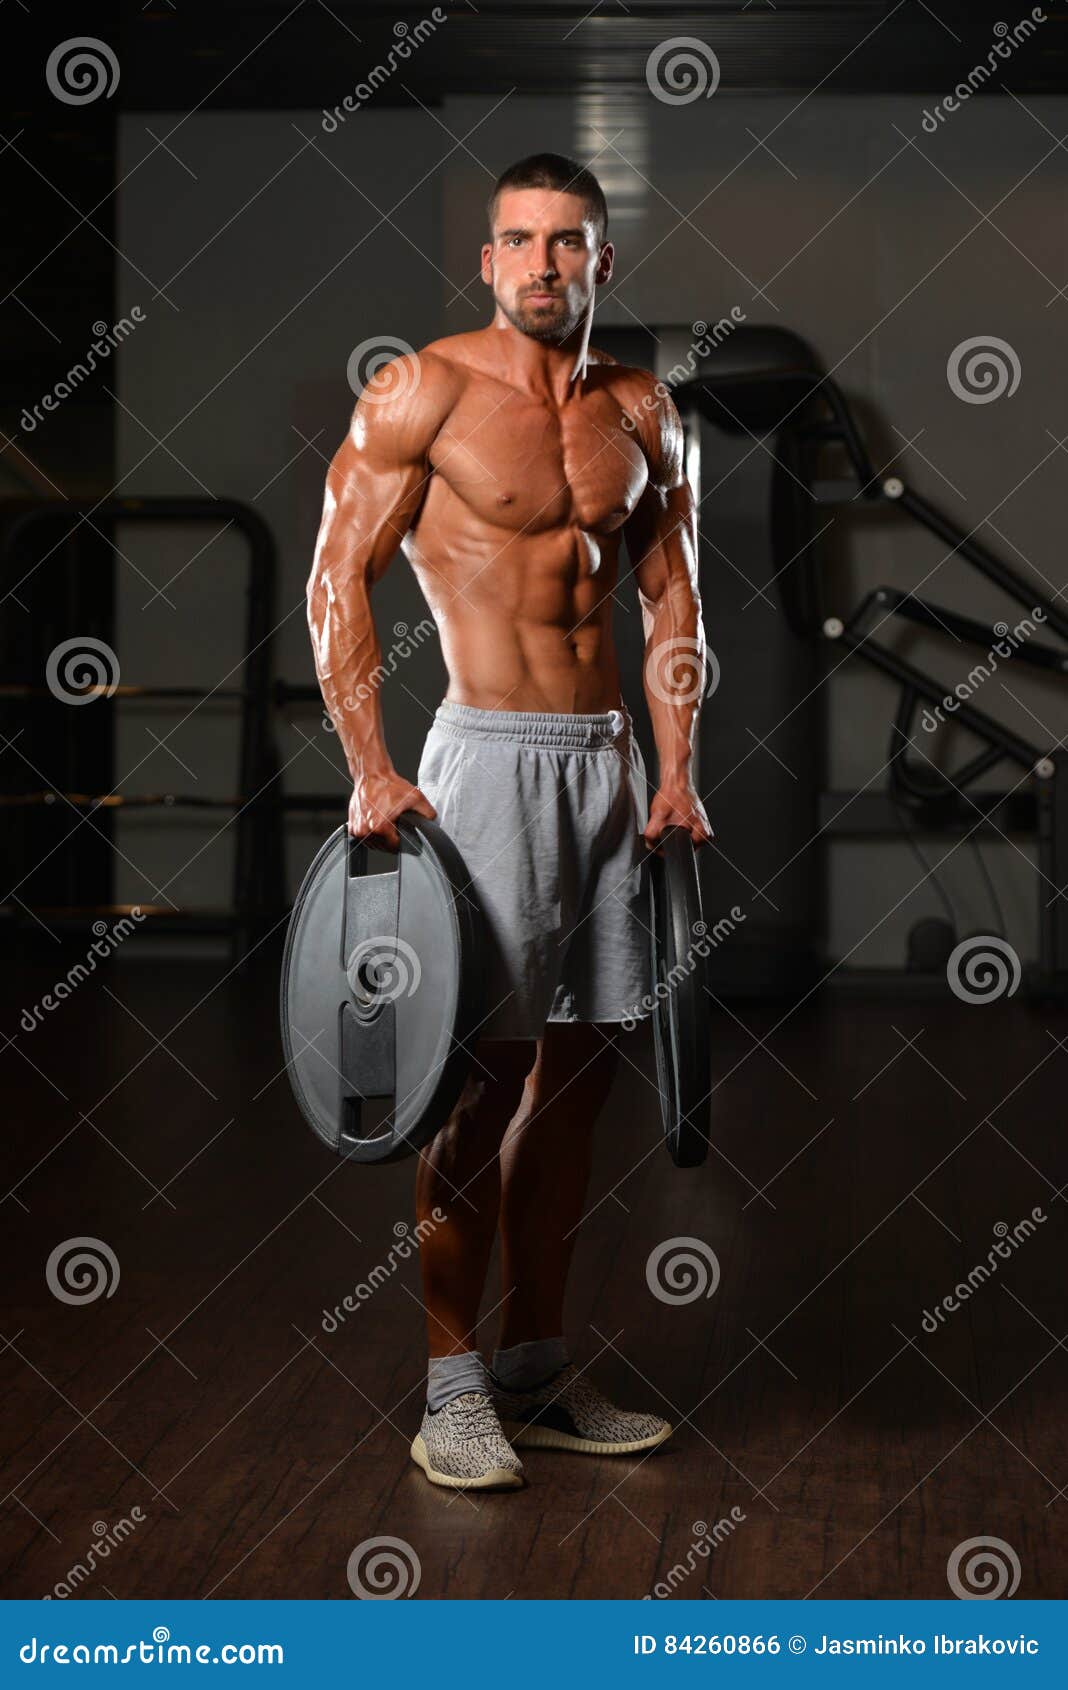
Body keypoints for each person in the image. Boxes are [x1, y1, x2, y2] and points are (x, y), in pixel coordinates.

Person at [306, 152, 713, 1491]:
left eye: (569, 242)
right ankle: (450, 1387)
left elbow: (671, 606)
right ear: (487, 262)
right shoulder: (421, 390)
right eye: (519, 241)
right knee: (471, 1090)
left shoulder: (643, 410)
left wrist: (676, 768)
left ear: (603, 258)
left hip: (606, 767)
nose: (544, 264)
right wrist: (369, 764)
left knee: (584, 1082)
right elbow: (335, 584)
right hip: (480, 763)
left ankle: (537, 1368)